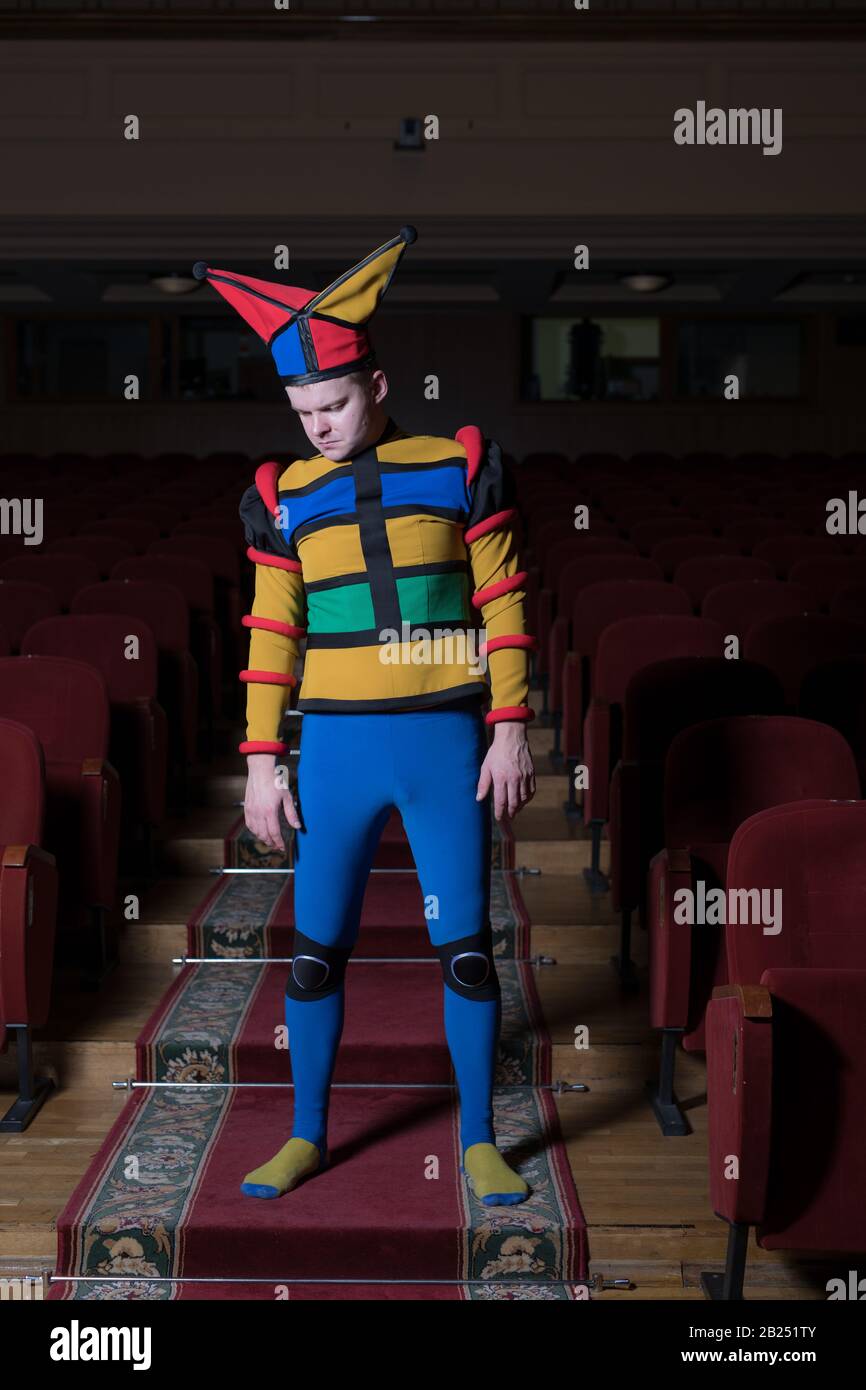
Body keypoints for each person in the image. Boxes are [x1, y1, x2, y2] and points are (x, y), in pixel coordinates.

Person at [192, 227, 538, 1207]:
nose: (320, 426)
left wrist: (509, 727)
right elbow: (270, 632)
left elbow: (502, 598)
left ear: (377, 387)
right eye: (303, 411)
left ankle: (476, 1139)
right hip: (334, 742)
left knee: (464, 947)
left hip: (442, 739)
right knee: (314, 951)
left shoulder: (458, 461)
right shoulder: (280, 494)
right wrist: (261, 763)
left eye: (334, 404)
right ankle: (307, 1133)